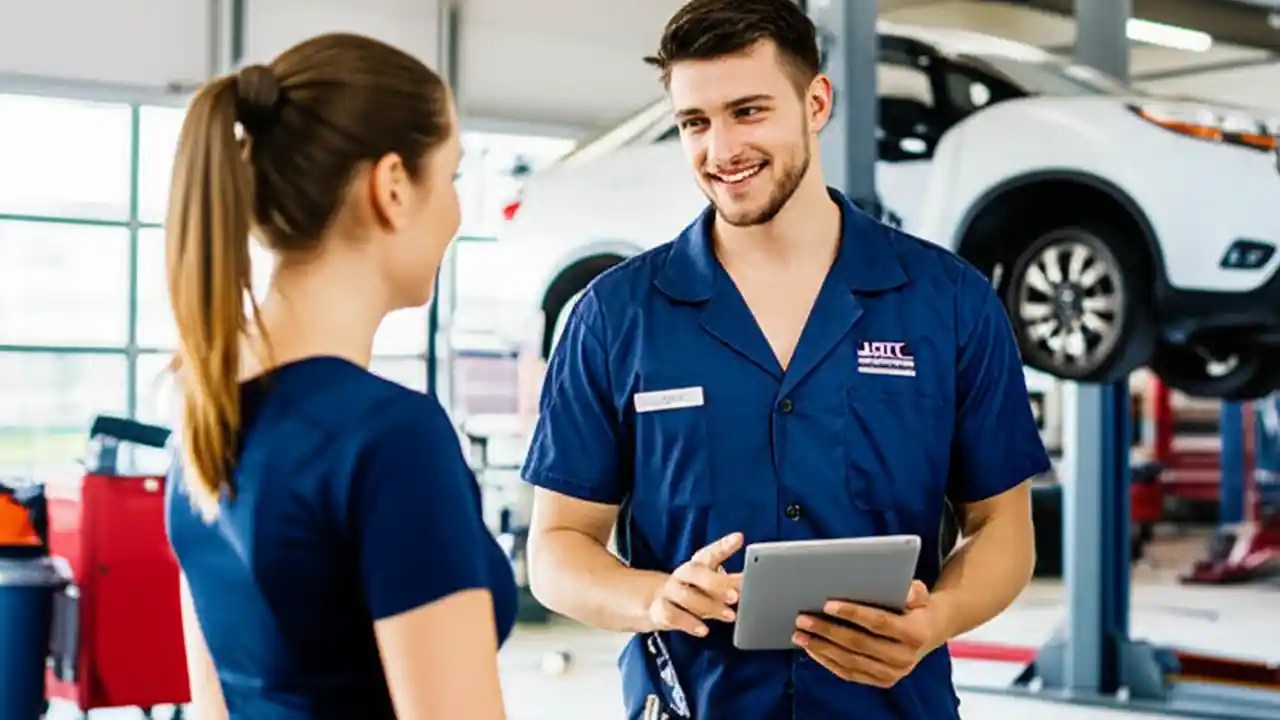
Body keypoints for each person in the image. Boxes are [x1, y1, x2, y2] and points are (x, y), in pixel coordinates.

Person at [520, 0, 1049, 718]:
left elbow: (1002, 529)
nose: (720, 150)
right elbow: (557, 547)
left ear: (816, 102)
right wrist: (652, 596)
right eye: (694, 123)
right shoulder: (615, 318)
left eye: (748, 111)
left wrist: (941, 618)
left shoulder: (948, 304)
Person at [162, 33, 514, 720]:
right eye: (451, 178)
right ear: (391, 187)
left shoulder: (206, 420)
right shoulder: (390, 440)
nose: (458, 212)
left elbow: (215, 708)